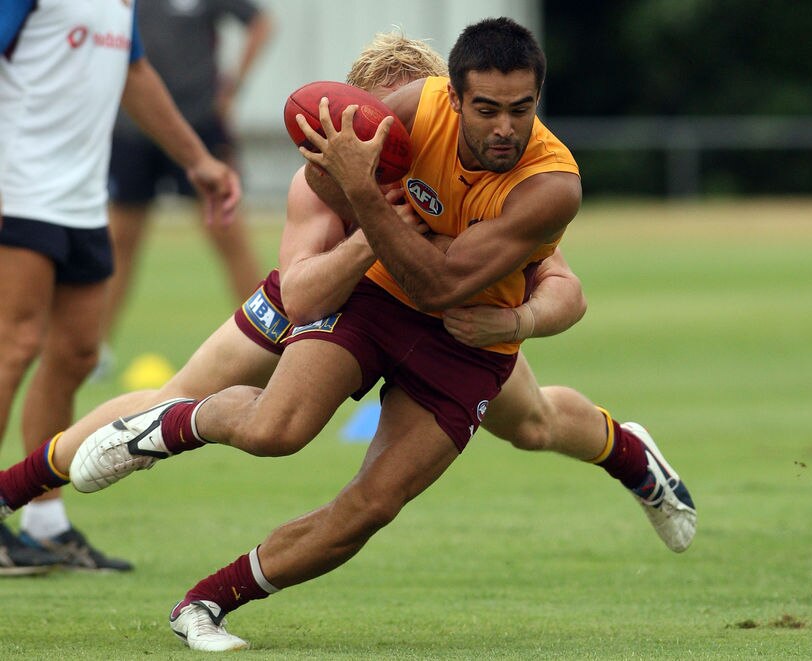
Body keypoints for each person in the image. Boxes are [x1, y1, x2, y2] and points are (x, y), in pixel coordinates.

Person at [67, 18, 695, 650]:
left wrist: (516, 318)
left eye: (520, 110)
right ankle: (168, 426)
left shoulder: (551, 184)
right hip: (378, 300)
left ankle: (204, 603)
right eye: (486, 109)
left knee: (373, 506)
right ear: (450, 97)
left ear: (538, 101)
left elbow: (449, 287)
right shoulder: (415, 110)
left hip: (467, 338)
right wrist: (354, 171)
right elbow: (319, 190)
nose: (504, 128)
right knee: (274, 431)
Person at [0, 0, 240, 575]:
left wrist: (197, 160)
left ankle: (45, 521)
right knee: (16, 343)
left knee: (76, 352)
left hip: (81, 198)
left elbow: (132, 72)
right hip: (17, 187)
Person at [97, 0, 272, 377]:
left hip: (198, 123)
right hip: (131, 127)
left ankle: (267, 340)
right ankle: (96, 351)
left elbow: (260, 24)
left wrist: (233, 87)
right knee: (120, 239)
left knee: (228, 232)